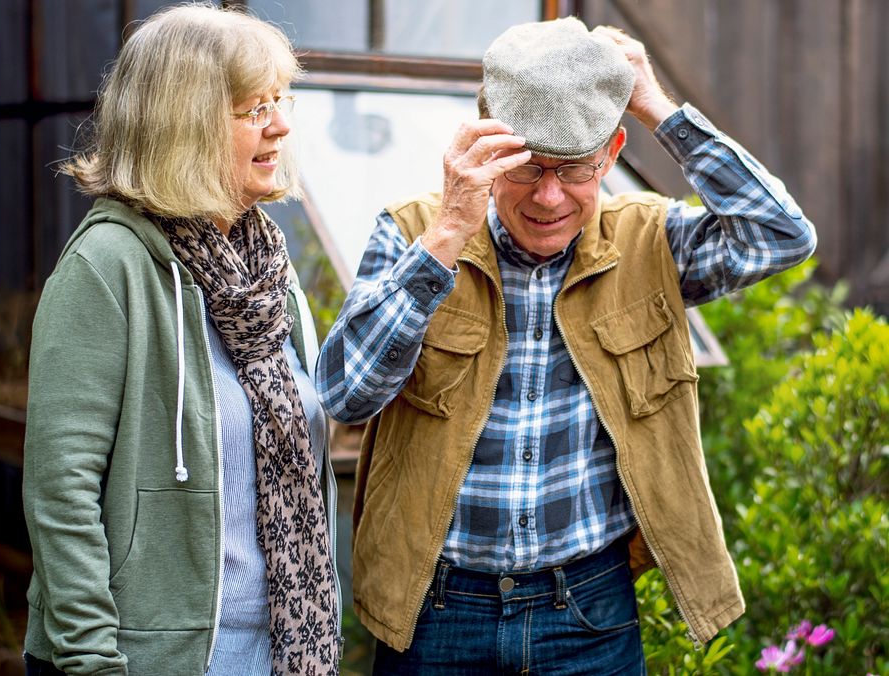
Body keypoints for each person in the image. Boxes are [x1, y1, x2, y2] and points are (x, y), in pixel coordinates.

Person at [316, 17, 816, 675]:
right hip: (437, 612)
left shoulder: (648, 240)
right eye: (528, 167)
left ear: (611, 155)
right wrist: (446, 238)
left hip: (589, 611)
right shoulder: (414, 231)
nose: (549, 197)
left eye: (575, 168)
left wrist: (656, 105)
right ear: (489, 152)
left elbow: (781, 236)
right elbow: (345, 394)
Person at [21, 4, 341, 674]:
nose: (281, 123)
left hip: (283, 648)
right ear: (183, 123)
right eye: (254, 107)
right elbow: (61, 492)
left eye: (282, 99)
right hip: (152, 657)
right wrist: (91, 660)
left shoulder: (266, 271)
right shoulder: (107, 267)